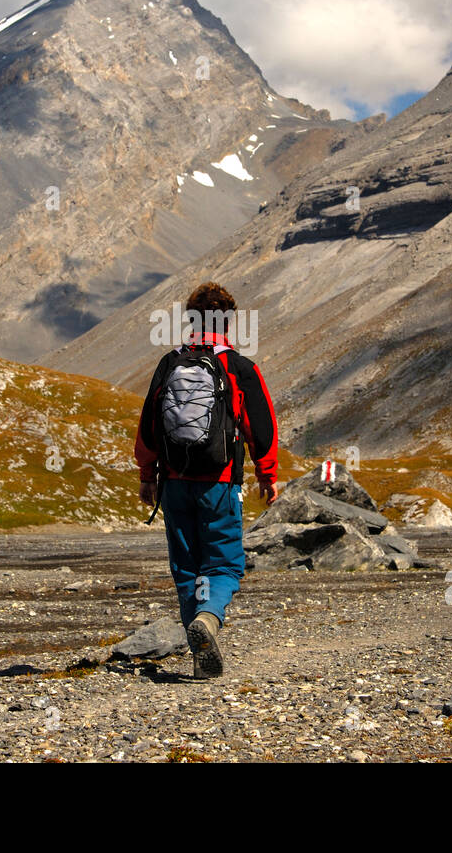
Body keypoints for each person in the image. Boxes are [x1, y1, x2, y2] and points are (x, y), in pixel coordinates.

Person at [135, 282, 278, 679]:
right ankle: (209, 621)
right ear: (228, 321)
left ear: (190, 319)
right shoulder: (238, 367)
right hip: (220, 481)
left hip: (174, 483)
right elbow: (261, 427)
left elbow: (148, 425)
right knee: (224, 564)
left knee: (186, 566)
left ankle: (198, 647)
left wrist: (148, 477)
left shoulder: (169, 363)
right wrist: (268, 477)